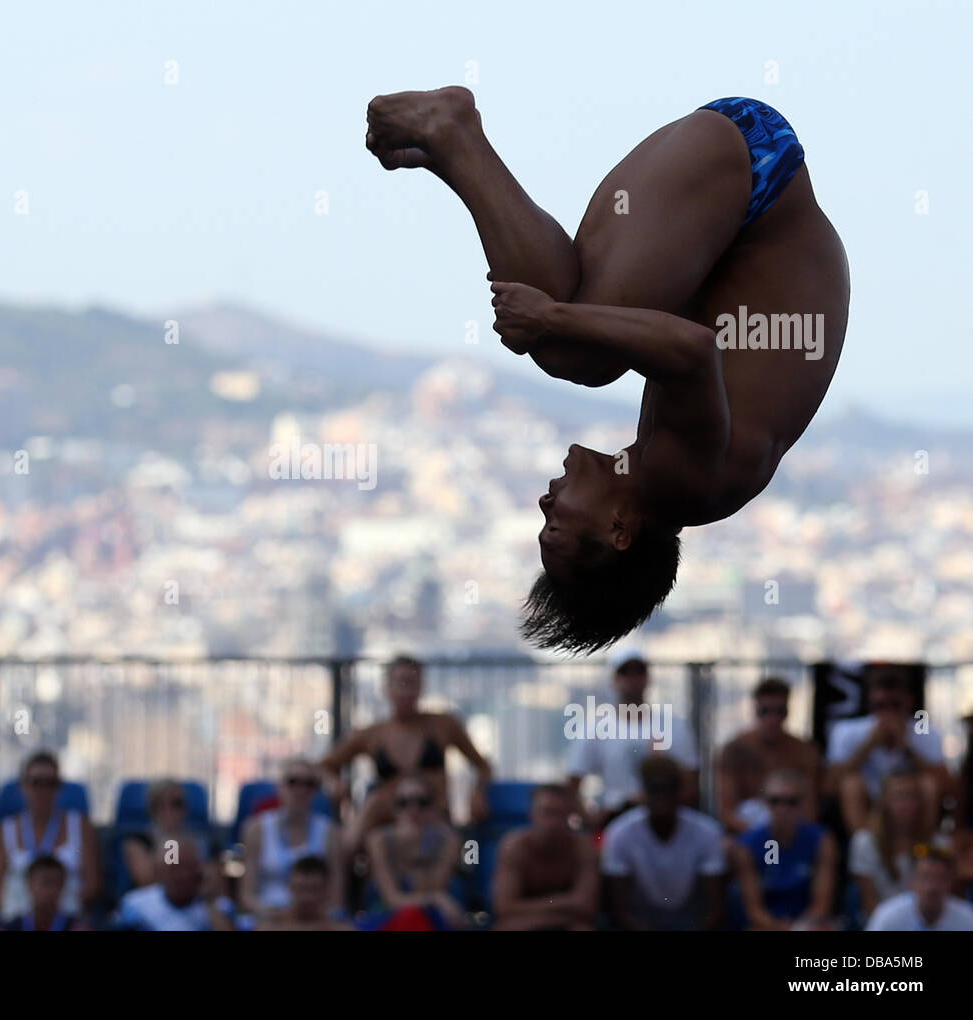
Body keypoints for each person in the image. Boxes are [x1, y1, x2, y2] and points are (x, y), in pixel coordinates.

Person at [364, 87, 849, 652]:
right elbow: (692, 350)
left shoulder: (676, 481)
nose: (545, 504)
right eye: (554, 528)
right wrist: (554, 320)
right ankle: (452, 134)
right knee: (576, 350)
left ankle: (451, 146)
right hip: (754, 174)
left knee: (572, 320)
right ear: (619, 530)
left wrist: (556, 315)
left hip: (747, 176)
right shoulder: (680, 484)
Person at [321, 655, 492, 854]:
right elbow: (326, 765)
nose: (406, 691)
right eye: (400, 683)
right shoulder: (372, 733)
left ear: (421, 687)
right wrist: (335, 784)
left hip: (434, 815)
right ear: (386, 688)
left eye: (412, 683)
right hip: (387, 819)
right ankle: (342, 871)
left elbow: (482, 765)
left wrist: (478, 792)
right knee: (372, 806)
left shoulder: (444, 724)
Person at [565, 650, 699, 829]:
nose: (632, 679)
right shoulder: (595, 727)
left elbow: (691, 783)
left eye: (639, 673)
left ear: (647, 678)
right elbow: (572, 782)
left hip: (664, 820)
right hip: (613, 819)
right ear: (614, 679)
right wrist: (591, 821)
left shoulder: (674, 725)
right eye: (625, 673)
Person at [601, 756, 726, 931]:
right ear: (643, 791)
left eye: (669, 788)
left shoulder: (708, 832)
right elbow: (619, 912)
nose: (662, 796)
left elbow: (715, 911)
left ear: (679, 790)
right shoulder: (619, 833)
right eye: (655, 789)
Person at [826, 666, 946, 834]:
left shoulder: (924, 732)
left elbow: (945, 786)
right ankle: (865, 847)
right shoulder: (847, 730)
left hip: (908, 798)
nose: (888, 713)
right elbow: (830, 786)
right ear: (870, 703)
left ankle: (922, 848)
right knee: (850, 785)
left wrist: (907, 746)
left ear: (909, 702)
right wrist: (869, 744)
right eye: (881, 706)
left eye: (894, 705)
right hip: (868, 800)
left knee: (928, 785)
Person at [0, 750, 100, 923]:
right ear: (23, 787)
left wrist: (54, 907)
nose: (43, 790)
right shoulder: (4, 832)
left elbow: (93, 884)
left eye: (50, 784)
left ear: (59, 787)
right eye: (36, 783)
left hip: (66, 921)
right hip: (19, 923)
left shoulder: (81, 827)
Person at [732, 770, 837, 930]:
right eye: (775, 801)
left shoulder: (822, 841)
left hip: (808, 923)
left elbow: (821, 903)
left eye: (791, 801)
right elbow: (754, 909)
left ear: (802, 803)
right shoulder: (747, 845)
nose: (783, 808)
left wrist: (799, 927)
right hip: (766, 925)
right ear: (764, 803)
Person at [239, 759, 343, 920]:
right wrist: (275, 916)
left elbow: (336, 898)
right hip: (269, 917)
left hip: (313, 921)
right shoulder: (256, 829)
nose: (300, 790)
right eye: (293, 782)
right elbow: (247, 896)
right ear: (279, 787)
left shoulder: (331, 833)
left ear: (315, 791)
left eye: (308, 784)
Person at [717, 676, 821, 833]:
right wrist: (760, 836)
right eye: (765, 711)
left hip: (793, 832)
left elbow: (810, 810)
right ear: (755, 711)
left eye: (780, 711)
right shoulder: (735, 750)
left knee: (825, 843)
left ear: (787, 711)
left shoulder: (804, 751)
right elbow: (727, 812)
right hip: (748, 833)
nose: (773, 719)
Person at [363, 775, 468, 929]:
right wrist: (437, 899)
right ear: (394, 808)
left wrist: (419, 848)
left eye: (422, 802)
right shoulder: (378, 840)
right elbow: (391, 899)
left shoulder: (449, 839)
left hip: (430, 914)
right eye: (403, 803)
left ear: (433, 807)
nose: (413, 810)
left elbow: (435, 886)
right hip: (388, 915)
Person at [492, 784, 598, 930]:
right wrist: (567, 904)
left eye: (559, 814)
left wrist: (526, 908)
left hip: (565, 924)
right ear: (531, 813)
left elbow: (586, 905)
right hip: (529, 923)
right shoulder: (514, 847)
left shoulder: (583, 848)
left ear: (569, 816)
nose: (552, 822)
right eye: (547, 812)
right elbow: (504, 907)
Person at [848, 767, 935, 918]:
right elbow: (870, 904)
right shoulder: (864, 843)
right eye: (899, 797)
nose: (906, 804)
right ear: (884, 801)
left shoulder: (937, 843)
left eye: (911, 796)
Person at [113, 837, 235, 931]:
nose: (182, 875)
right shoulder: (135, 904)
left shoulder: (220, 906)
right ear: (160, 871)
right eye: (174, 869)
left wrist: (209, 900)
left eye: (188, 867)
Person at [122, 778, 211, 889]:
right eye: (159, 804)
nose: (168, 809)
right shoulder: (137, 842)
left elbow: (212, 882)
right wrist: (170, 839)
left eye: (177, 803)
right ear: (152, 808)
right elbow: (146, 881)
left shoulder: (202, 841)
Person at [866, 844, 973, 931]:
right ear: (911, 881)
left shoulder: (968, 918)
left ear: (950, 882)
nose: (931, 887)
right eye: (925, 878)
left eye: (939, 879)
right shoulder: (887, 916)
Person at [256, 857, 354, 931]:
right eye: (301, 889)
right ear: (290, 888)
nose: (306, 897)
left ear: (327, 890)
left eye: (313, 890)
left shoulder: (341, 928)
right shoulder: (270, 927)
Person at [0, 856, 90, 931]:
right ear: (29, 885)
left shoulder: (77, 927)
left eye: (57, 882)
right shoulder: (9, 927)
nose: (51, 889)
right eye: (45, 882)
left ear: (63, 886)